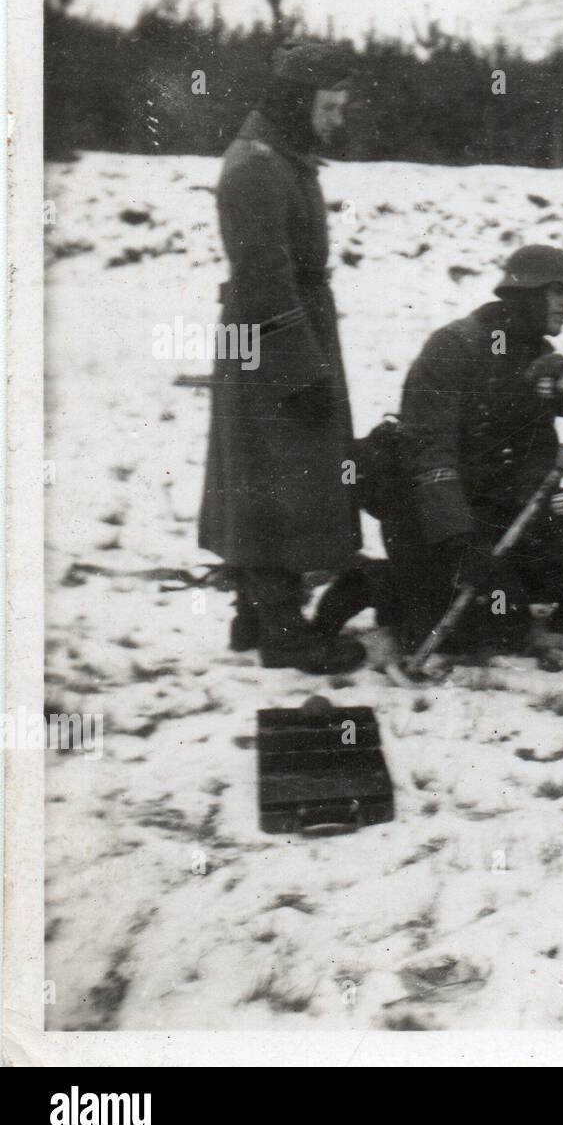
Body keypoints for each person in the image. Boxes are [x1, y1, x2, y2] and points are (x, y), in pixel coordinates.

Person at [316, 245, 563, 655]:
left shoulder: (537, 355)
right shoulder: (454, 347)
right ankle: (372, 583)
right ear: (523, 294)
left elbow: (534, 445)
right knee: (465, 636)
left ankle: (452, 586)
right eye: (556, 291)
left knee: (521, 615)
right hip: (425, 512)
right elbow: (429, 452)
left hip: (485, 506)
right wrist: (459, 542)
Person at [198, 40, 365, 674]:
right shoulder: (256, 168)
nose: (338, 117)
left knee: (269, 478)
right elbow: (264, 277)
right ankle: (285, 633)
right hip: (270, 343)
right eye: (332, 104)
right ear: (301, 100)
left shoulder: (282, 159)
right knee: (275, 483)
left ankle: (254, 615)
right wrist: (301, 370)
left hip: (280, 333)